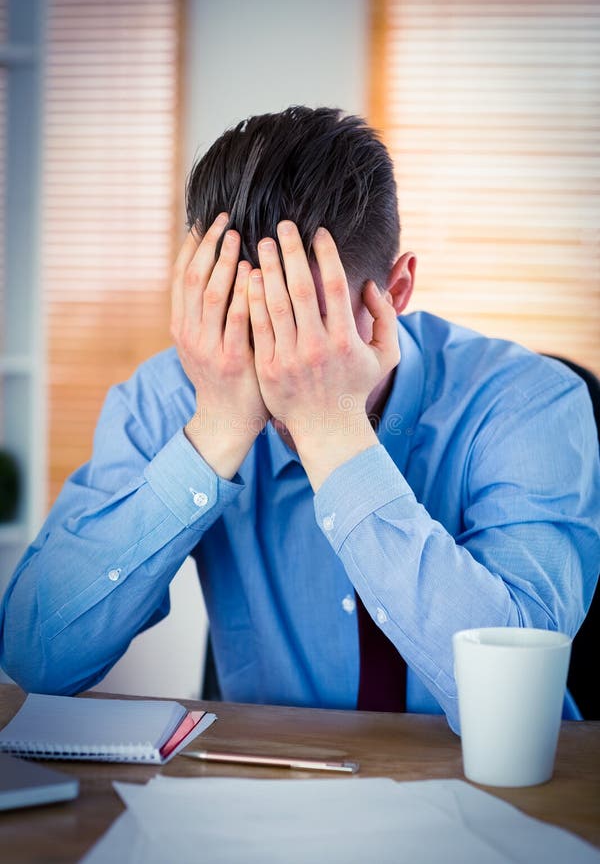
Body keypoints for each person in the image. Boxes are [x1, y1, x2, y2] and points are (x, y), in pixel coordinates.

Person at [1, 107, 598, 734]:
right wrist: (216, 430)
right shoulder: (171, 394)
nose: (274, 368)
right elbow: (37, 659)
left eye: (305, 326)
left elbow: (511, 698)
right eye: (243, 322)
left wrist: (334, 438)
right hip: (268, 781)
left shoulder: (530, 400)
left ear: (394, 293)